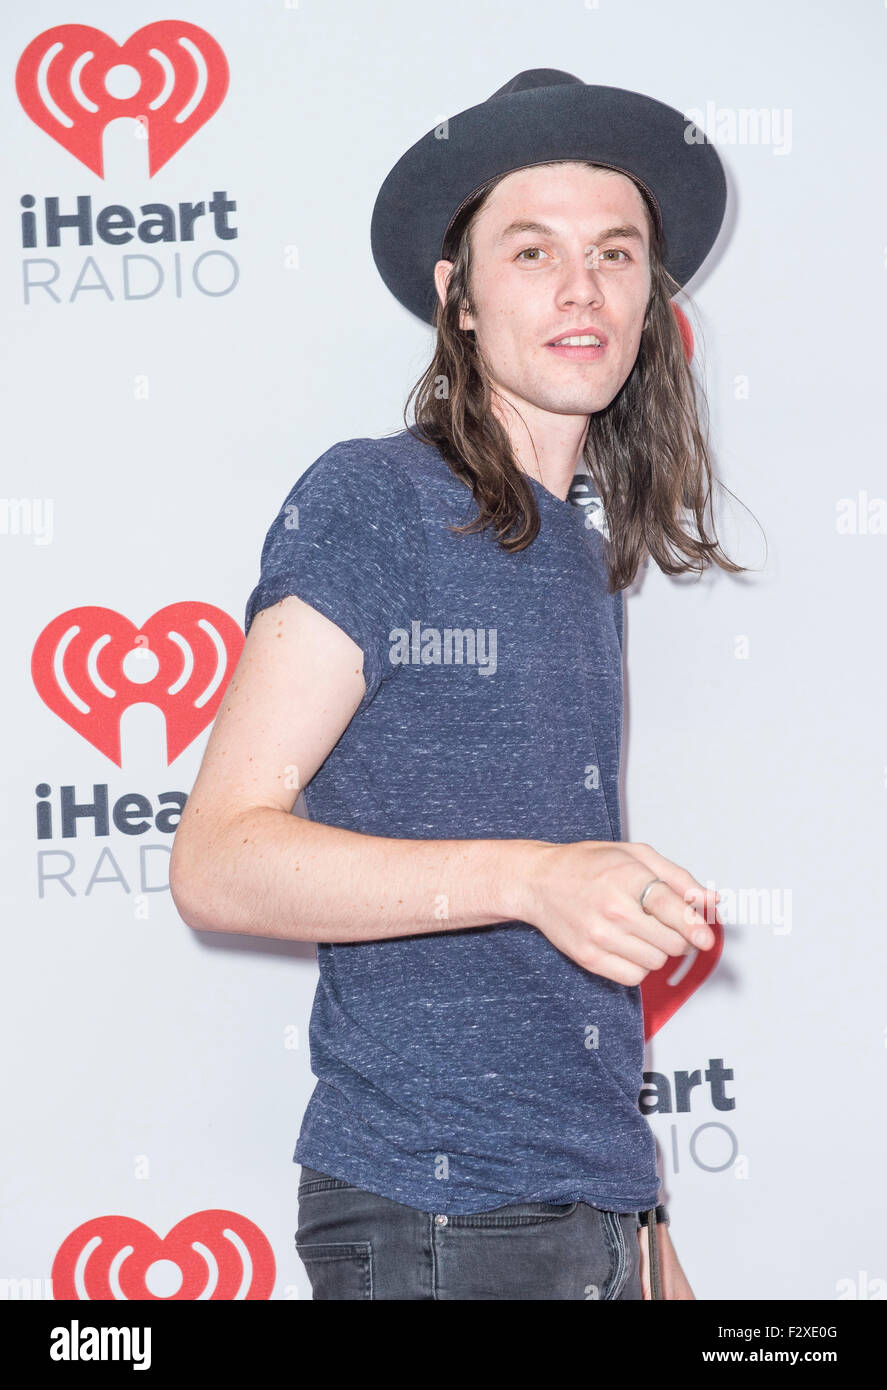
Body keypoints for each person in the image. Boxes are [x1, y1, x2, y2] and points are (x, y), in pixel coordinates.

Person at [170, 70, 745, 1300]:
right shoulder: (374, 500)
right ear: (459, 297)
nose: (581, 287)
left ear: (650, 296)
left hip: (590, 1216)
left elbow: (555, 973)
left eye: (614, 252)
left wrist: (646, 1231)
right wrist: (532, 876)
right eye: (529, 250)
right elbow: (217, 862)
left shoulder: (580, 556)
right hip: (435, 1222)